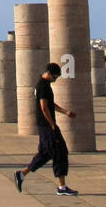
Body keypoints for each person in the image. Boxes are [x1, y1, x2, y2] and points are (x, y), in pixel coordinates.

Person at [14, 62, 79, 197]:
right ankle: (62, 187)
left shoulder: (43, 84)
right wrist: (52, 125)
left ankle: (21, 174)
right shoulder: (43, 86)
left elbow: (50, 104)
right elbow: (44, 107)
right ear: (49, 74)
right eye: (55, 77)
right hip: (47, 126)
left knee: (45, 154)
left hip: (44, 126)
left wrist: (65, 112)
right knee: (60, 152)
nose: (56, 80)